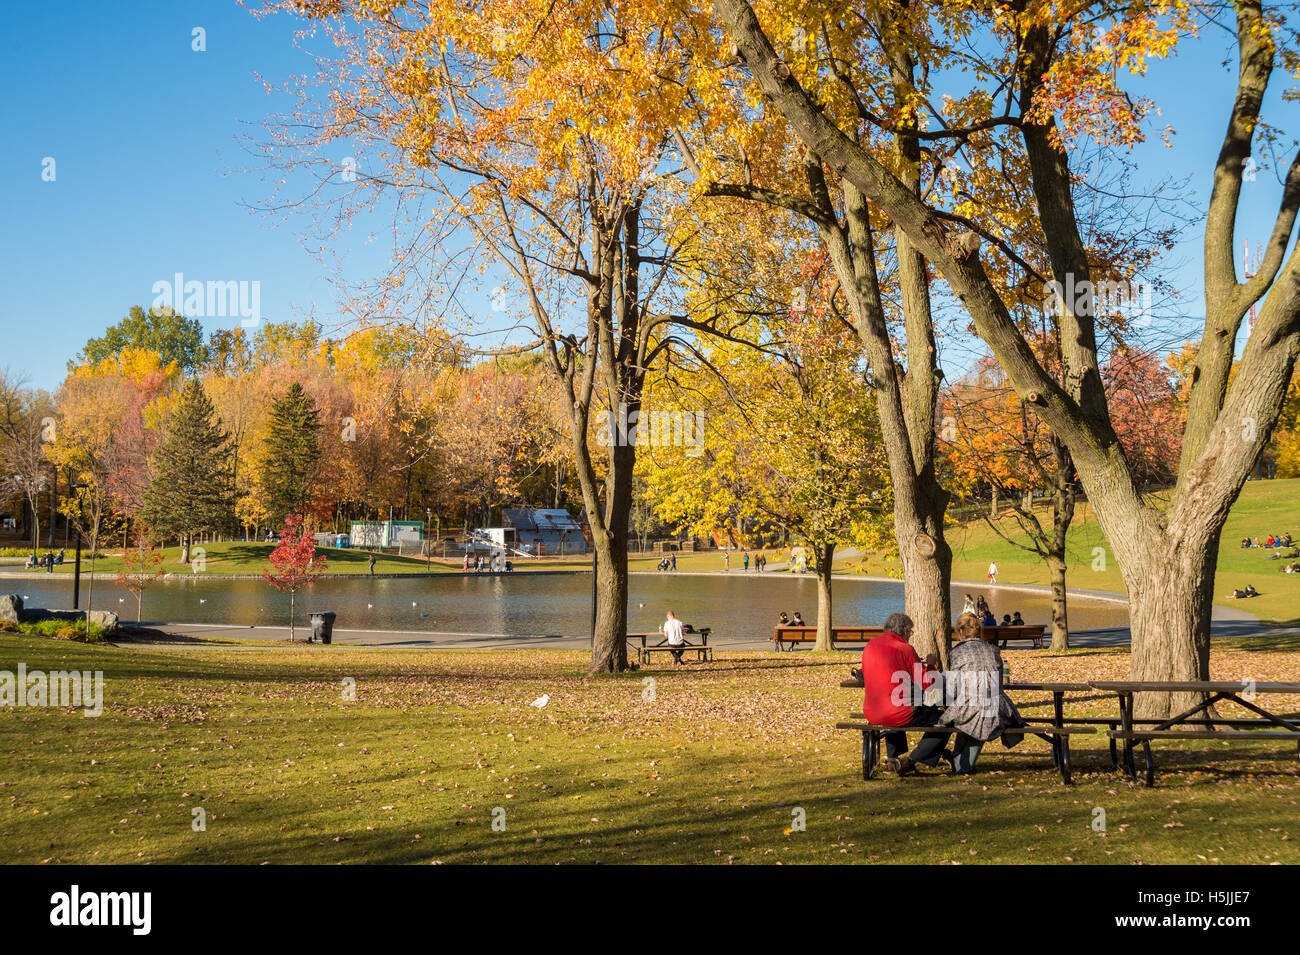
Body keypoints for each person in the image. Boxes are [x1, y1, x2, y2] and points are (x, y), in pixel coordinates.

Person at [861, 612, 950, 776]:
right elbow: (927, 683)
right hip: (898, 713)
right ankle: (911, 761)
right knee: (945, 720)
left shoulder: (871, 645)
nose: (910, 636)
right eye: (910, 632)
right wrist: (930, 665)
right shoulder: (905, 648)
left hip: (873, 711)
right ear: (904, 631)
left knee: (897, 703)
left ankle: (893, 759)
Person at [940, 612, 1025, 775]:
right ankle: (958, 759)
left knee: (969, 714)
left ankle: (961, 764)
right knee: (981, 715)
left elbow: (954, 687)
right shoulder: (993, 650)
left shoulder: (958, 651)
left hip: (973, 704)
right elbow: (998, 683)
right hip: (994, 704)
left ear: (961, 632)